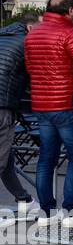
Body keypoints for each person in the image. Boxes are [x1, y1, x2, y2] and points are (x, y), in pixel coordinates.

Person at [25, 0, 73, 228]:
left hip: (41, 104)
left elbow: (30, 67)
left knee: (46, 159)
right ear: (71, 10)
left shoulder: (33, 34)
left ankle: (46, 211)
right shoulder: (70, 33)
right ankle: (72, 209)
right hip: (65, 103)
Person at [0, 12, 39, 211]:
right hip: (2, 106)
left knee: (6, 158)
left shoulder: (2, 36)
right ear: (30, 28)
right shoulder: (27, 43)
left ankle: (24, 200)